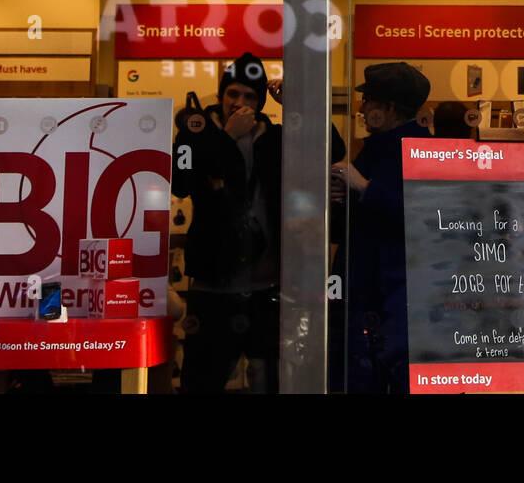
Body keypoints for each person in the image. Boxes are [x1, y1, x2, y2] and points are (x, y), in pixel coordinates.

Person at [171, 51, 343, 393]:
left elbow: (333, 148)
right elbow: (181, 181)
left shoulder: (277, 136)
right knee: (202, 379)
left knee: (273, 380)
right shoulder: (196, 135)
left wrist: (299, 103)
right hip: (213, 286)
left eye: (250, 96)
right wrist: (227, 137)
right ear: (221, 94)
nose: (239, 102)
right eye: (233, 93)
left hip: (269, 287)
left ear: (262, 101)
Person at [330, 61, 431, 393]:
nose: (363, 108)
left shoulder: (420, 152)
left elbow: (422, 215)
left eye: (368, 100)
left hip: (392, 298)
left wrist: (363, 188)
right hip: (373, 295)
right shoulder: (377, 149)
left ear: (388, 108)